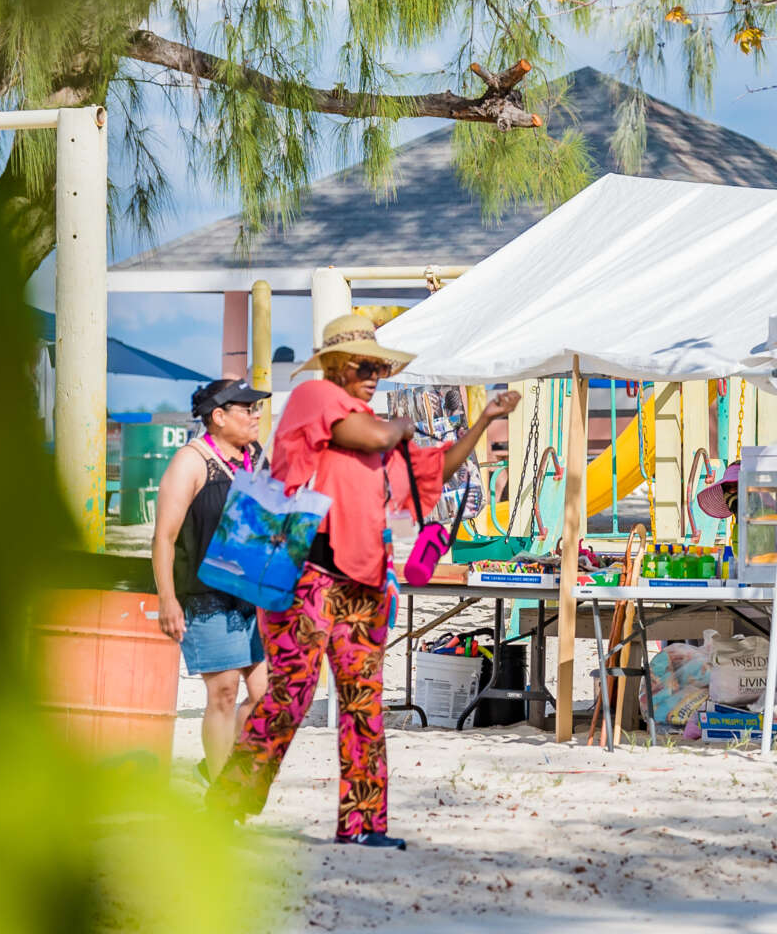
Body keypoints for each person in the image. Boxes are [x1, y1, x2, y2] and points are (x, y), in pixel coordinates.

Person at [208, 311, 519, 848]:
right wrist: (399, 428)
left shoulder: (374, 428)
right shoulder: (315, 399)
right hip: (305, 577)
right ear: (334, 365)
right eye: (365, 364)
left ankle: (363, 826)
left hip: (366, 583)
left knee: (363, 706)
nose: (375, 373)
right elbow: (373, 434)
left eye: (380, 365)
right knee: (291, 696)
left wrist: (485, 419)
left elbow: (434, 470)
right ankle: (226, 802)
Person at [153, 377, 274, 780]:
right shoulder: (190, 462)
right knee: (222, 695)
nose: (256, 415)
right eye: (247, 409)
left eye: (257, 408)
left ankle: (220, 768)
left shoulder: (255, 457)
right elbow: (164, 539)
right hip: (206, 597)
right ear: (218, 417)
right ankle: (223, 788)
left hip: (253, 597)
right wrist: (167, 600)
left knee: (270, 697)